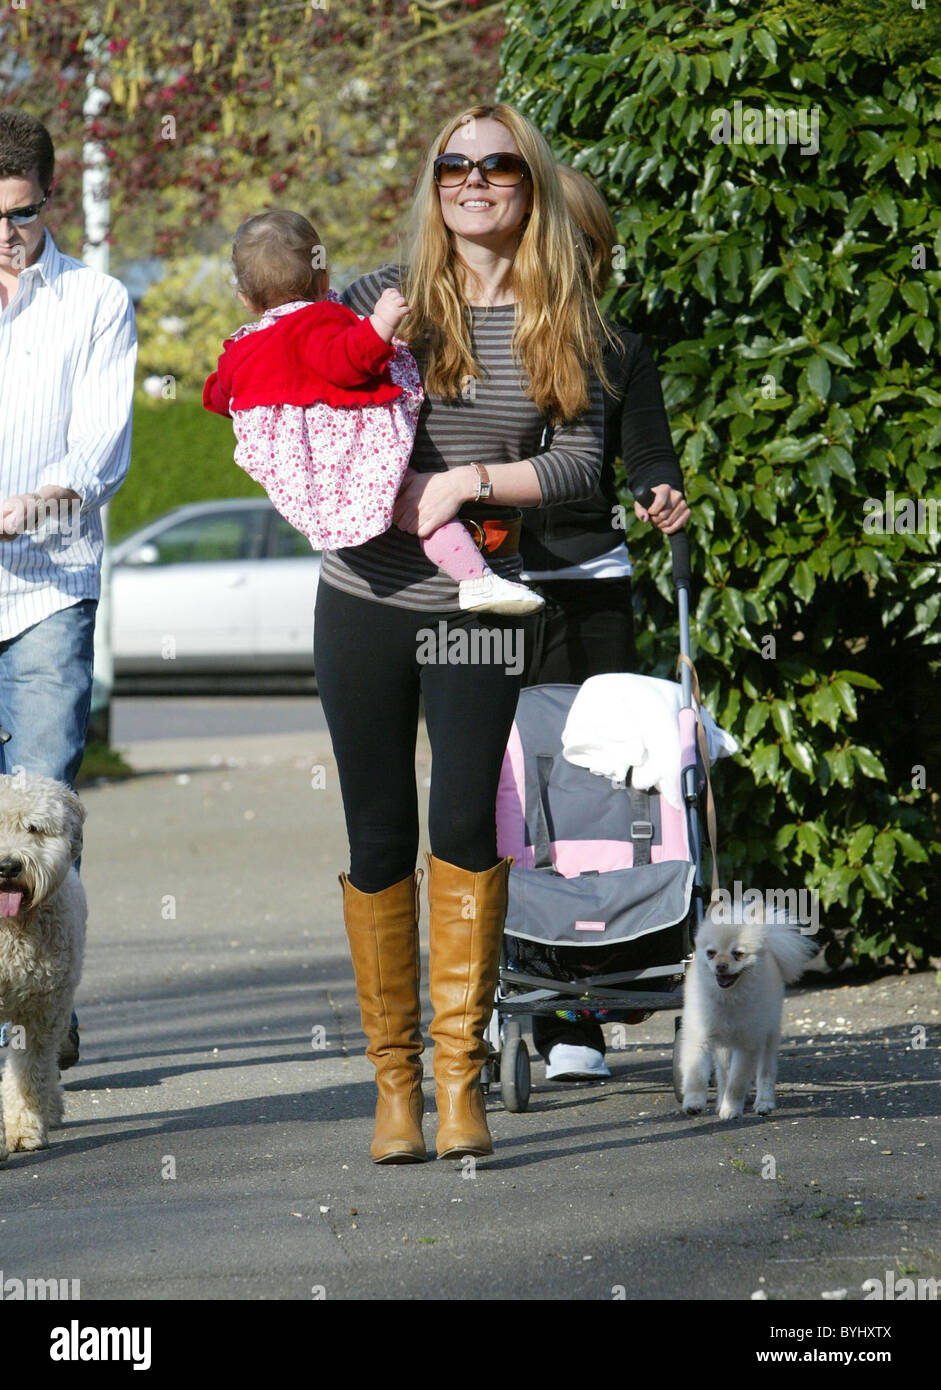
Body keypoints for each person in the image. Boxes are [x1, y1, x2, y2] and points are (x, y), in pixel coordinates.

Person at [316, 103, 606, 1162]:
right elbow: (301, 405)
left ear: (527, 183)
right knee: (375, 833)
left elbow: (578, 465)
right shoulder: (377, 302)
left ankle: (460, 1077)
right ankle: (395, 1088)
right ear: (432, 181)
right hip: (361, 599)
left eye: (495, 164)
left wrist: (467, 483)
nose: (473, 180)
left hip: (480, 602)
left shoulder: (555, 317)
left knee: (463, 829)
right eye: (453, 163)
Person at [513, 164, 690, 1081]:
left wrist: (661, 490)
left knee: (594, 796)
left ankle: (581, 1007)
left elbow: (647, 451)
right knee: (512, 794)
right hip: (494, 591)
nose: (568, 262)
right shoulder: (486, 336)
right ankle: (514, 995)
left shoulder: (621, 350)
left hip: (591, 586)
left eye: (584, 247)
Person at [204, 211, 543, 616]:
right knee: (416, 503)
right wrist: (380, 323)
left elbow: (220, 396)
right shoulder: (321, 320)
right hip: (351, 453)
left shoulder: (244, 347)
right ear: (324, 277)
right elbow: (346, 360)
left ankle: (466, 580)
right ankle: (474, 580)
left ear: (245, 298)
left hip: (312, 469)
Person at [0, 110, 137, 1067]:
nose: (1, 234)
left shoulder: (94, 300)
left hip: (48, 582)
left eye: (15, 214)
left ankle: (47, 997)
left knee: (43, 804)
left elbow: (102, 440)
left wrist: (49, 497)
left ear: (47, 199)